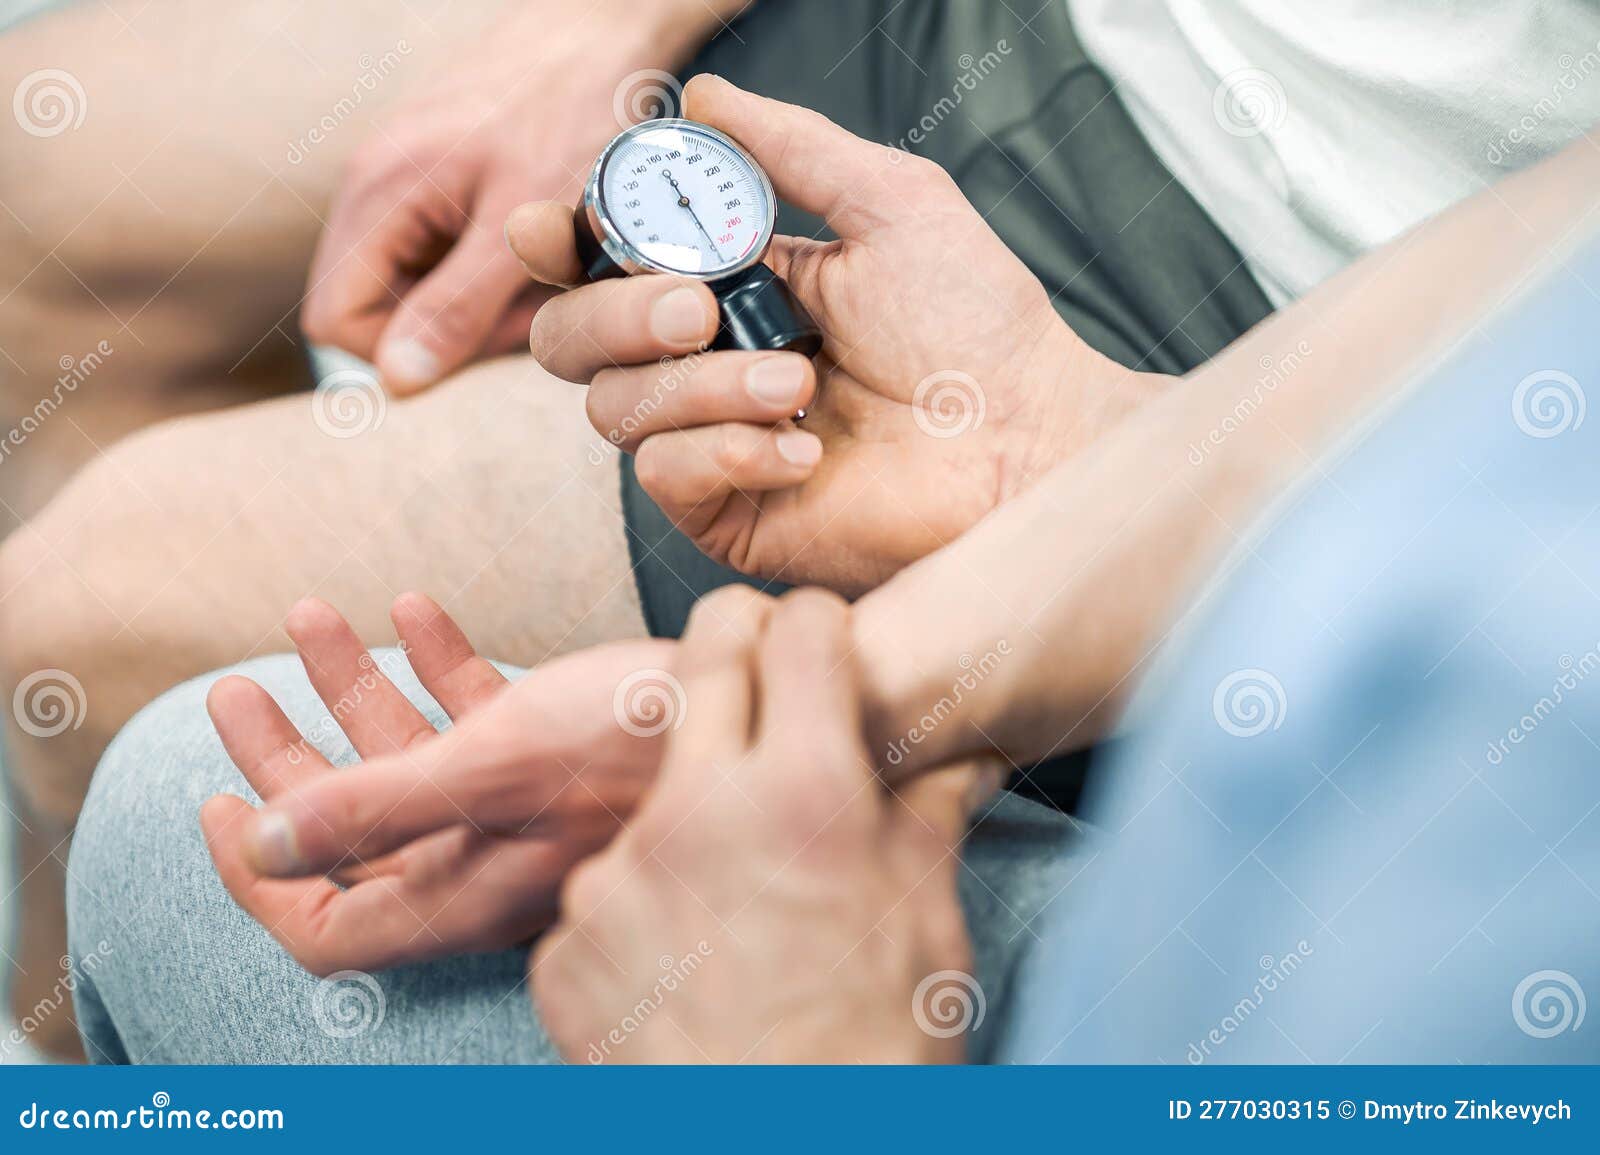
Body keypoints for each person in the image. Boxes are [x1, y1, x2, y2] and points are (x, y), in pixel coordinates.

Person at [4, 0, 1596, 1056]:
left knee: (88, 636)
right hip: (1039, 71)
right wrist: (596, 27)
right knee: (36, 169)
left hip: (1275, 312)